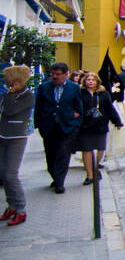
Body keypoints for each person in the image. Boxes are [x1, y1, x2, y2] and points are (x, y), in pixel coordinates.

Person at [33, 61, 83, 194]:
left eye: (58, 74)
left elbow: (79, 107)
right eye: (53, 74)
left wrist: (76, 123)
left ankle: (60, 182)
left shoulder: (74, 88)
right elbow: (38, 107)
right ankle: (55, 177)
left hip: (67, 126)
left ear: (66, 74)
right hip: (49, 126)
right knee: (50, 154)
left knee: (63, 152)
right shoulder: (44, 87)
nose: (55, 77)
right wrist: (38, 125)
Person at [0, 65, 35, 226]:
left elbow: (9, 111)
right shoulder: (8, 93)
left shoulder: (27, 95)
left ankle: (21, 209)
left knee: (11, 174)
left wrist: (10, 96)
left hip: (17, 137)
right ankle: (11, 205)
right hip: (3, 135)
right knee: (3, 173)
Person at [77, 71, 123, 183]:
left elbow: (110, 108)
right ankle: (89, 175)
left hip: (100, 124)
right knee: (86, 149)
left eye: (93, 80)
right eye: (88, 80)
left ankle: (95, 166)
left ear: (97, 81)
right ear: (85, 81)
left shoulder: (103, 94)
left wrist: (117, 121)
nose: (91, 82)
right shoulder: (80, 93)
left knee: (100, 148)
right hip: (85, 125)